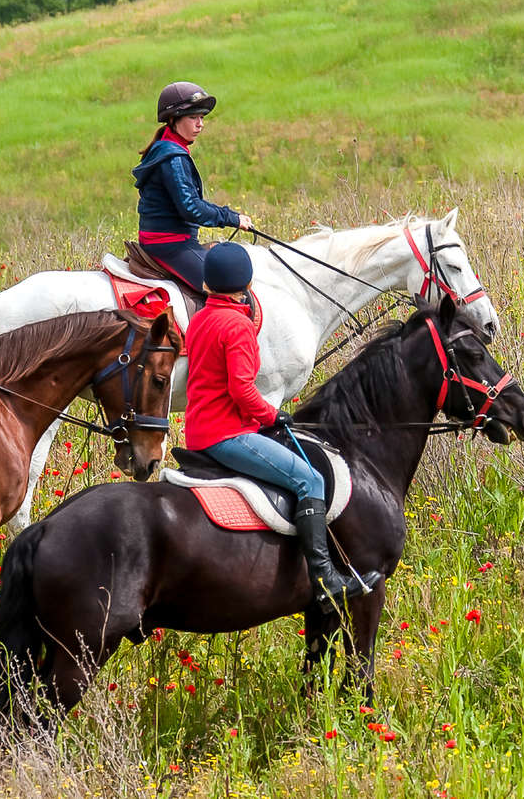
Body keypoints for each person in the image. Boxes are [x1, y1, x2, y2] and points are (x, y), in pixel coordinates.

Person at [183, 242, 379, 605]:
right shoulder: (236, 326)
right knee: (310, 479)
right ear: (246, 284)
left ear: (208, 285)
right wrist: (272, 415)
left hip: (198, 430)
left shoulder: (200, 320)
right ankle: (325, 580)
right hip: (228, 435)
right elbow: (241, 390)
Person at [131, 81, 254, 292]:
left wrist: (230, 216)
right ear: (173, 120)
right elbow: (191, 208)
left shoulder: (167, 148)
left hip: (166, 241)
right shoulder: (173, 157)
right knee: (226, 286)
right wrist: (232, 218)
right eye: (193, 117)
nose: (200, 124)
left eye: (202, 118)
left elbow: (193, 203)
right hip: (170, 244)